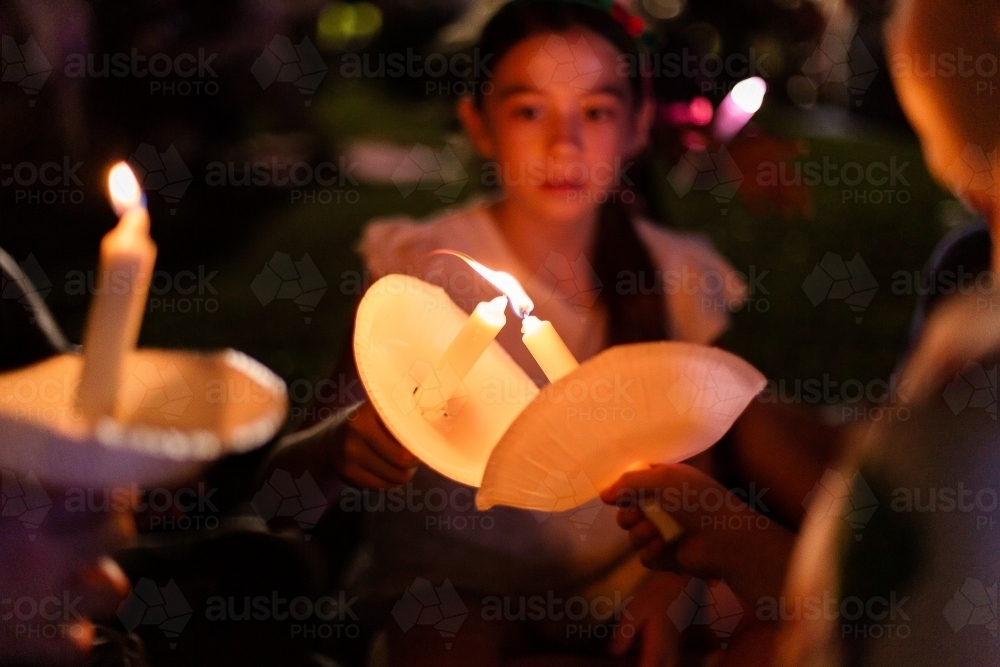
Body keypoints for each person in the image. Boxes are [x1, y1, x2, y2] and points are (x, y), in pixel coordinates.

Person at [263, 1, 753, 664]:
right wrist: (335, 447)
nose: (563, 143)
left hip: (618, 582)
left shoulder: (675, 276)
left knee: (755, 617)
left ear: (637, 124)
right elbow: (284, 491)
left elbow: (701, 477)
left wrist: (670, 583)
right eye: (530, 110)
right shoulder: (421, 274)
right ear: (480, 124)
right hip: (455, 590)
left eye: (596, 112)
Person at [602, 0, 999, 665]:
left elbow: (898, 617)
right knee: (741, 416)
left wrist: (744, 543)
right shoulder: (966, 277)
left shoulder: (962, 407)